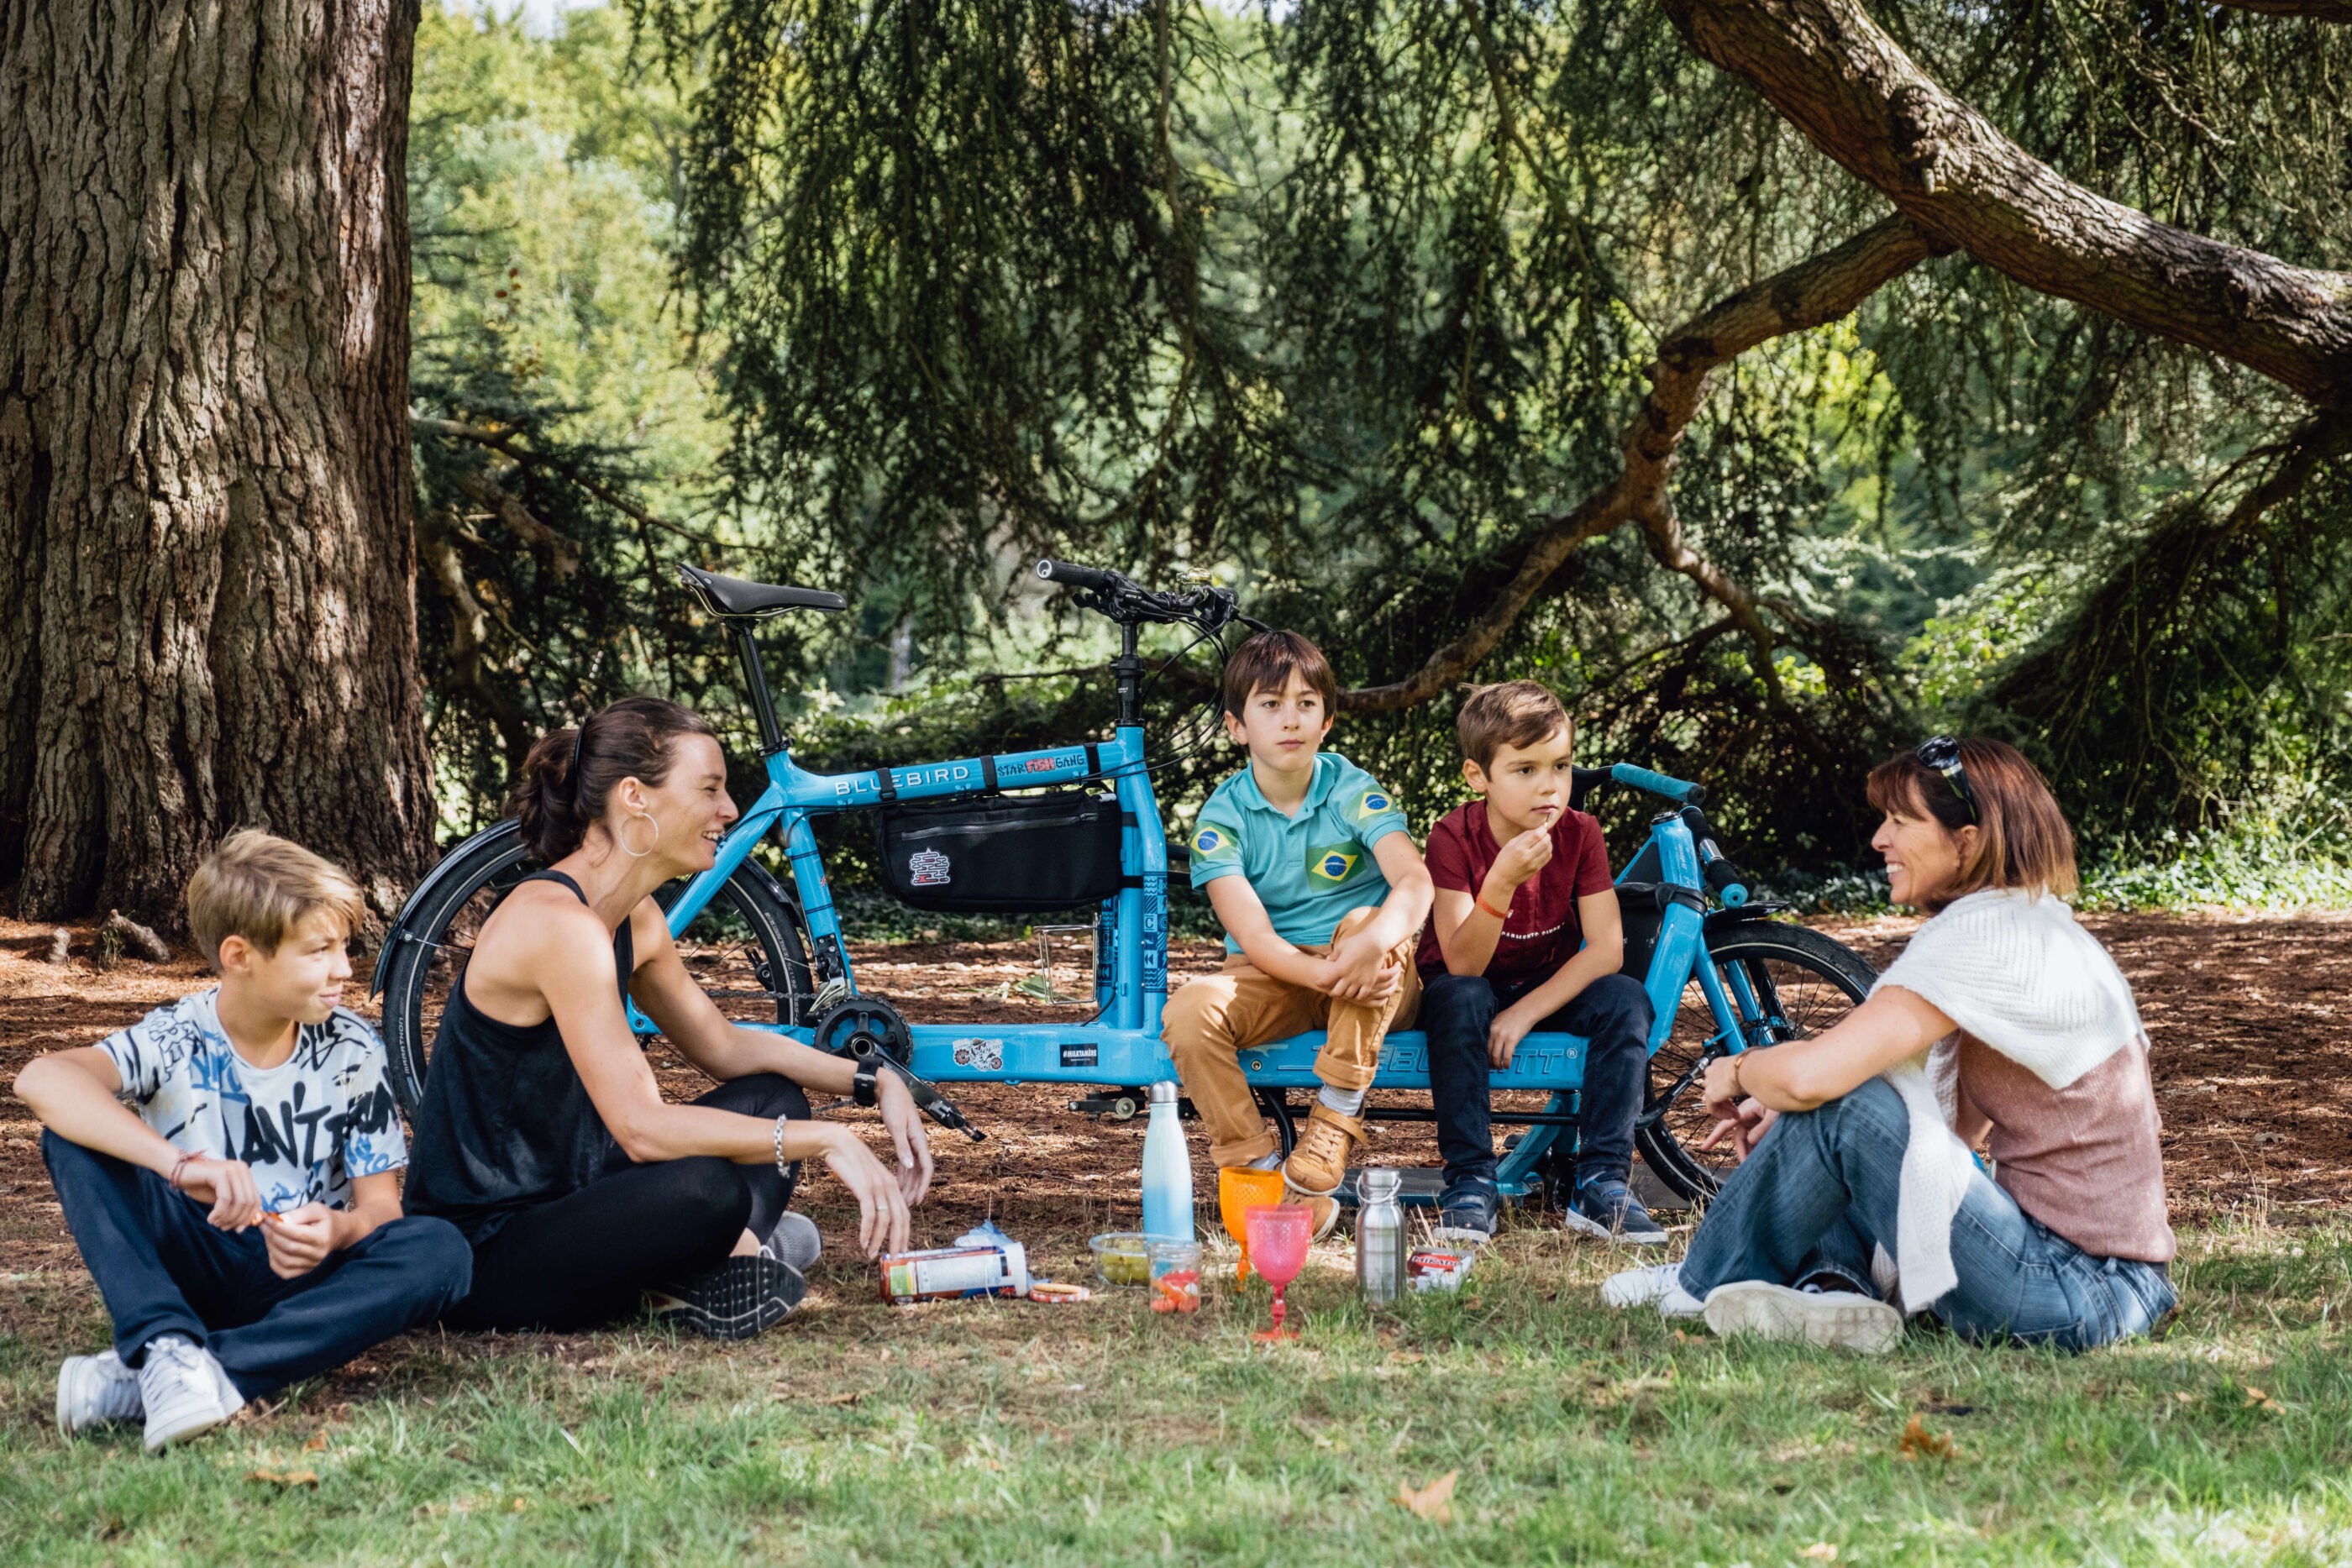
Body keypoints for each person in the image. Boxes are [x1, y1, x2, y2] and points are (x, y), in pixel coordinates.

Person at [1604, 737, 2176, 1355]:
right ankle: (1835, 1289)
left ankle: (1704, 1280)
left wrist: (1741, 1069)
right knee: (1848, 1101)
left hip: (2076, 1289)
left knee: (1845, 1098)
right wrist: (1798, 1125)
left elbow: (1820, 1080)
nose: (1880, 838)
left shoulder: (1985, 935)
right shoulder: (2028, 922)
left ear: (1969, 839)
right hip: (2096, 1284)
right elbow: (1936, 1129)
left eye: (1902, 821)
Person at [404, 696, 934, 1340]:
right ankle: (719, 1258)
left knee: (773, 1098)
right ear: (635, 797)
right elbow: (643, 1130)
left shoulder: (636, 916)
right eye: (709, 789)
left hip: (578, 1196)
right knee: (708, 1187)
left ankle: (701, 1266)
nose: (730, 810)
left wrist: (874, 1080)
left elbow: (728, 1047)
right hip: (487, 1250)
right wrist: (827, 1140)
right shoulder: (555, 924)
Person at [18, 831, 472, 1451]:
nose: (344, 969)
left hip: (303, 1280)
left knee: (441, 1249)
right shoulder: (178, 1036)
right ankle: (166, 1342)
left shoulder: (352, 1049)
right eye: (319, 950)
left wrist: (335, 1233)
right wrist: (181, 1166)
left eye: (343, 947)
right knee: (74, 1136)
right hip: (195, 1257)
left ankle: (191, 1372)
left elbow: (381, 1210)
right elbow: (42, 1078)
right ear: (240, 955)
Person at [1161, 631, 1435, 1237]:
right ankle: (1263, 1174)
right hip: (1279, 975)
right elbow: (1254, 936)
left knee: (1371, 920)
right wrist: (1325, 973)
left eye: (1306, 703)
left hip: (1374, 978)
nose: (1291, 719)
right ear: (1237, 726)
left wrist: (1367, 944)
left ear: (1327, 720)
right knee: (1188, 1010)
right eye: (1270, 704)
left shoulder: (1351, 789)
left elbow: (1414, 881)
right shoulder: (1222, 817)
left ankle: (1333, 1123)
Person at [1415, 681, 1661, 1246]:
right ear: (1479, 776)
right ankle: (1472, 1181)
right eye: (1525, 769)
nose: (1549, 785)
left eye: (1561, 765)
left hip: (1541, 990)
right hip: (1468, 990)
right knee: (1458, 996)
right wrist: (1500, 881)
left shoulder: (1580, 832)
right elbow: (1462, 962)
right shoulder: (1453, 835)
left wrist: (1524, 1012)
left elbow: (1606, 948)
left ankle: (1601, 1181)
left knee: (1625, 997)